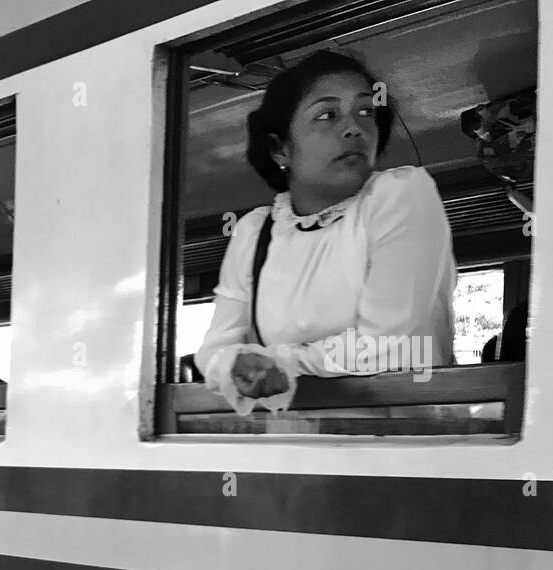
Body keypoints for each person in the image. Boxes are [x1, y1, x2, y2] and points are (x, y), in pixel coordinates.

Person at [193, 51, 456, 414]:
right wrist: (233, 364)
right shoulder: (255, 233)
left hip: (404, 443)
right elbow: (214, 348)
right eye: (327, 115)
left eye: (366, 112)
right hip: (295, 445)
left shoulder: (403, 194)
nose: (354, 128)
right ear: (280, 148)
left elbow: (393, 346)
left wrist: (279, 364)